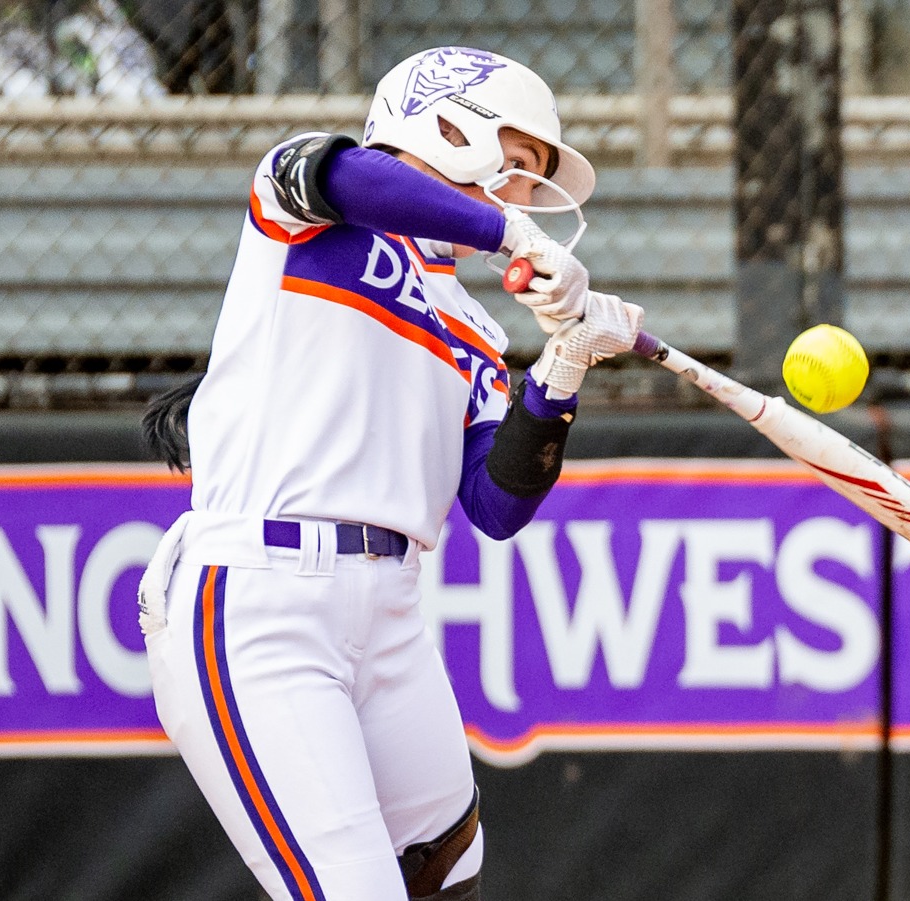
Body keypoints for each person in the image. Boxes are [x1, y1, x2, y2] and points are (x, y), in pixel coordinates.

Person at [136, 46, 642, 901]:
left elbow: (495, 503)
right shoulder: (313, 212)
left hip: (391, 609)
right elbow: (345, 177)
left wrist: (561, 368)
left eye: (532, 180)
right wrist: (509, 231)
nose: (522, 194)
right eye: (514, 164)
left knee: (445, 869)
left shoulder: (474, 325)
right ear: (447, 125)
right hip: (261, 597)